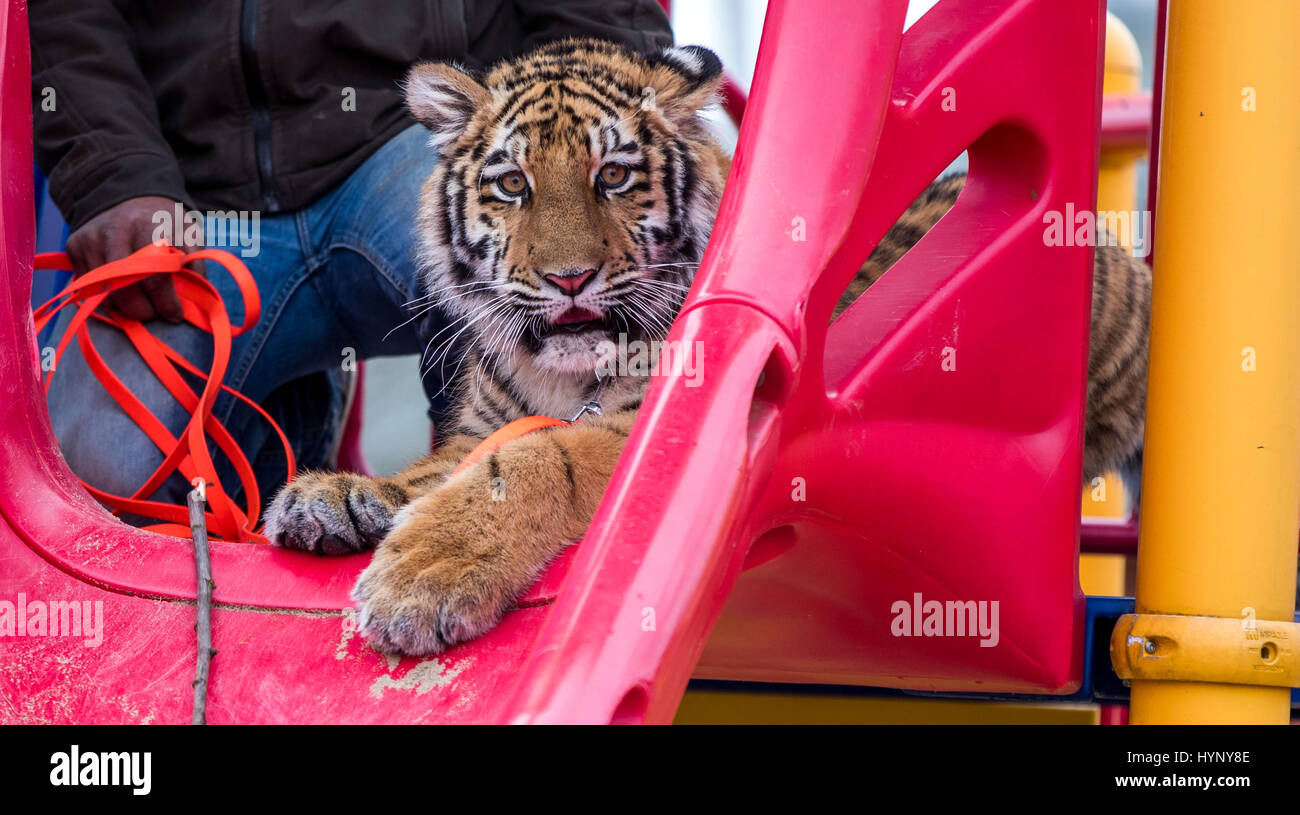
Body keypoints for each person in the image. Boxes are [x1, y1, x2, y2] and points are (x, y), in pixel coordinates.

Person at [30, 1, 673, 515]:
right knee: (96, 468)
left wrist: (612, 137)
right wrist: (111, 172)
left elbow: (601, 21)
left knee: (509, 293)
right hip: (189, 184)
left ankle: (486, 549)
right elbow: (66, 13)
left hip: (419, 132)